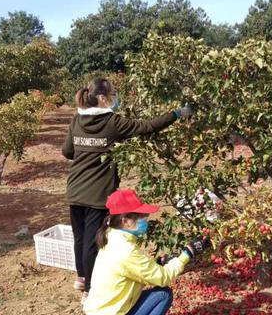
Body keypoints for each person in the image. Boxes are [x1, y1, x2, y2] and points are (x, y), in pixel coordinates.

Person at [61, 78, 192, 299]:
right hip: (97, 193)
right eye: (112, 95)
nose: (114, 99)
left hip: (75, 189)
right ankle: (92, 289)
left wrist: (86, 151)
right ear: (103, 98)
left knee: (80, 237)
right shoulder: (113, 122)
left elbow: (67, 151)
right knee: (92, 243)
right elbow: (147, 127)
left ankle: (82, 277)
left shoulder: (77, 119)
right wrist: (177, 113)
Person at [83, 189, 210, 315]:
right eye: (141, 216)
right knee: (163, 295)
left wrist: (158, 263)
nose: (146, 218)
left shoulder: (111, 235)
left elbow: (130, 270)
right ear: (125, 221)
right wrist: (188, 253)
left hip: (101, 309)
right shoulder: (125, 250)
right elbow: (163, 278)